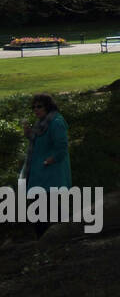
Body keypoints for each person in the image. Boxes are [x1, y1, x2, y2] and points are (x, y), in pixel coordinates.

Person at [21, 93, 69, 238]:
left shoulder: (56, 122)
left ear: (48, 106)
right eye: (34, 107)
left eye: (39, 106)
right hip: (38, 174)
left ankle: (57, 238)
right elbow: (40, 141)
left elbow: (62, 146)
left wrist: (51, 160)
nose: (36, 109)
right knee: (39, 209)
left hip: (50, 174)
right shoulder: (40, 123)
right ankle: (46, 240)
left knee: (48, 209)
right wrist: (29, 133)